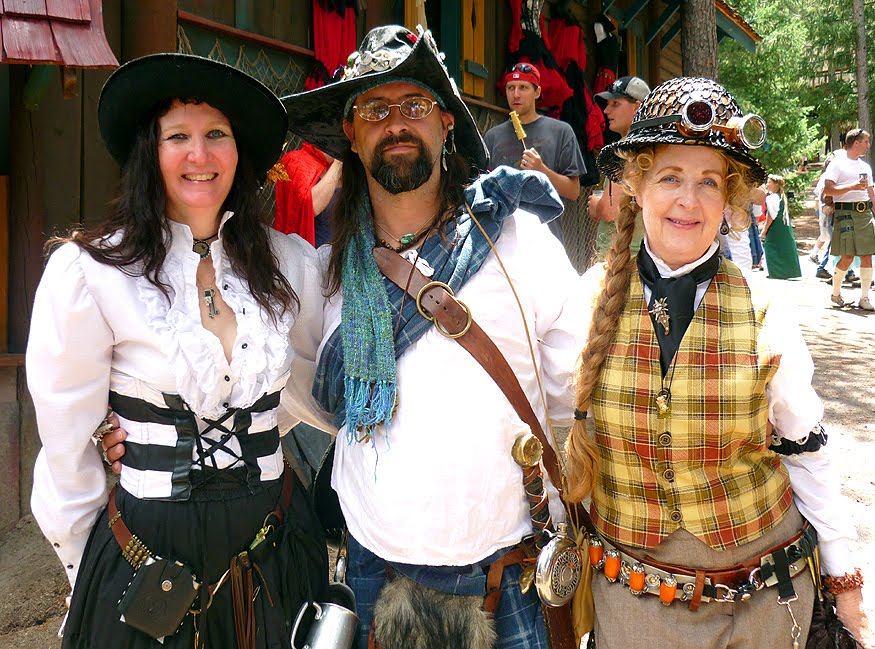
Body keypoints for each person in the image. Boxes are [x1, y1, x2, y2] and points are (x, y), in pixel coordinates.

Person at [281, 25, 586, 649]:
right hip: (375, 570)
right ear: (351, 132)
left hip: (511, 568)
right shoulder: (326, 275)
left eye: (415, 106)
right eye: (375, 110)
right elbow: (302, 393)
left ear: (447, 123)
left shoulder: (520, 243)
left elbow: (575, 399)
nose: (397, 123)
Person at [27, 54, 328, 648]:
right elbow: (67, 446)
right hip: (145, 563)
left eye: (217, 134)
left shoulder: (290, 264)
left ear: (239, 152)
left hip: (274, 551)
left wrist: (257, 426)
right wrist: (84, 568)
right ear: (151, 151)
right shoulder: (94, 273)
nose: (200, 154)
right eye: (179, 136)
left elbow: (307, 388)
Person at [563, 77, 873, 649]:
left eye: (709, 182)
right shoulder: (584, 304)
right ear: (636, 185)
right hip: (632, 607)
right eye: (670, 177)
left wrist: (843, 575)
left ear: (728, 198)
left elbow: (806, 449)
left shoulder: (766, 310)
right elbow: (566, 443)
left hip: (761, 607)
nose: (689, 199)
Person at [484, 62, 588, 242]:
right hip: (501, 239)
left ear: (537, 92)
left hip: (546, 236)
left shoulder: (561, 131)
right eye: (510, 88)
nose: (516, 94)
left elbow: (573, 191)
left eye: (523, 87)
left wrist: (542, 171)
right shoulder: (493, 136)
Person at [821, 127, 875, 310]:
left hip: (864, 214)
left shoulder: (865, 166)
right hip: (845, 213)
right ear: (856, 143)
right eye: (866, 142)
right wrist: (852, 187)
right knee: (848, 257)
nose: (868, 145)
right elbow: (828, 190)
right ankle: (836, 294)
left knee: (867, 255)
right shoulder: (838, 164)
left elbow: (871, 193)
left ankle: (865, 298)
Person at [588, 75, 650, 224]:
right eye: (607, 104)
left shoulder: (627, 148)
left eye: (615, 104)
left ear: (637, 107)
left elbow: (611, 210)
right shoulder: (649, 145)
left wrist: (596, 206)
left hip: (624, 246)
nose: (606, 110)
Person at [273, 141, 342, 247]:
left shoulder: (342, 169)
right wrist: (337, 165)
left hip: (338, 250)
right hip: (308, 251)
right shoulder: (295, 160)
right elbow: (311, 206)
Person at [761, 174, 803, 279]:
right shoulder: (780, 197)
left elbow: (771, 215)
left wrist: (765, 230)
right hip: (783, 226)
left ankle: (776, 272)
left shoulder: (773, 197)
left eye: (769, 182)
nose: (767, 184)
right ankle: (787, 272)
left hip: (775, 227)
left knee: (771, 246)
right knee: (784, 248)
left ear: (775, 184)